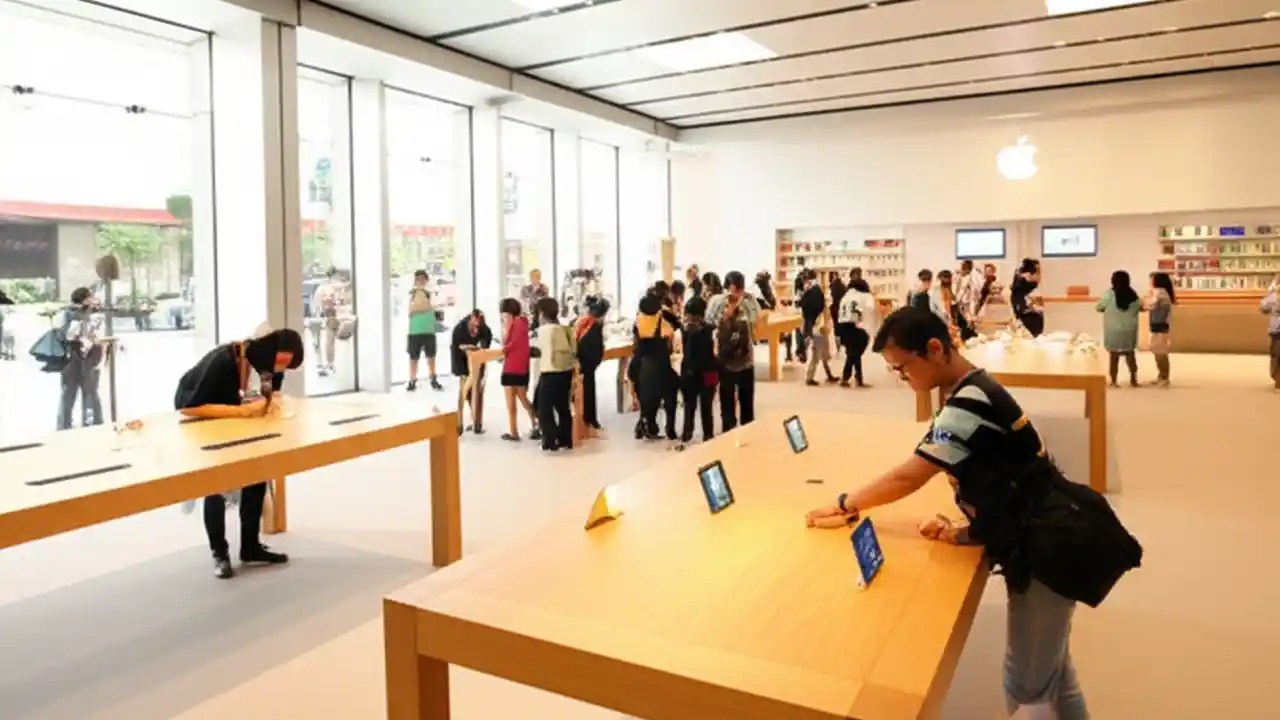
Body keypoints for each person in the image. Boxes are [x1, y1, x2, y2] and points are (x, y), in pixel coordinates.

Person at [806, 307, 1141, 720]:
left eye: (902, 367)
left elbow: (910, 476)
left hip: (1045, 548)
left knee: (1028, 683)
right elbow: (1001, 479)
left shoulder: (968, 401)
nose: (901, 377)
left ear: (934, 349)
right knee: (1053, 674)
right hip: (1047, 530)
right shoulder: (972, 388)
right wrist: (962, 530)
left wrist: (846, 502)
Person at [174, 328, 305, 579]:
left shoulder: (269, 367)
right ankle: (219, 553)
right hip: (203, 414)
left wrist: (271, 407)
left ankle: (250, 546)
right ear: (271, 350)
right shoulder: (223, 360)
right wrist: (243, 412)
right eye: (282, 363)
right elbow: (191, 408)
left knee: (258, 472)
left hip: (234, 414)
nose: (281, 370)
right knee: (216, 484)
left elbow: (271, 396)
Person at [706, 271, 760, 431]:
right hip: (737, 359)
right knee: (739, 401)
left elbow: (709, 324)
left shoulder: (717, 301)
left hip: (733, 358)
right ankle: (739, 430)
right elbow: (755, 322)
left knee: (735, 401)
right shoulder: (746, 302)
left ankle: (733, 430)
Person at [58, 287, 106, 430]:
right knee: (81, 391)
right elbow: (71, 334)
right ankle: (88, 422)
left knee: (80, 392)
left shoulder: (79, 313)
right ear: (84, 299)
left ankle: (72, 423)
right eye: (90, 297)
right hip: (78, 358)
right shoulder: (73, 313)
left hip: (81, 359)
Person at [634, 294, 678, 441]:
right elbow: (674, 331)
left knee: (648, 399)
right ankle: (670, 428)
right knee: (670, 396)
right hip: (662, 364)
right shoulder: (662, 321)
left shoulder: (638, 321)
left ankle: (646, 426)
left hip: (643, 364)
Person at [535, 298, 577, 451]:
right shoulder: (563, 328)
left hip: (549, 371)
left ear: (542, 313)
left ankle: (550, 439)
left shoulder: (544, 330)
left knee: (544, 407)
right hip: (565, 370)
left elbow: (537, 348)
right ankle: (566, 439)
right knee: (562, 407)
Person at [498, 298, 537, 442]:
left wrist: (506, 328)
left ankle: (514, 431)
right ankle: (536, 422)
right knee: (523, 397)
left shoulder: (515, 324)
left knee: (510, 401)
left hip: (511, 366)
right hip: (522, 366)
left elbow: (507, 343)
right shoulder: (524, 323)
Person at [679, 295, 716, 445]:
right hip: (710, 371)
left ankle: (688, 432)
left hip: (690, 372)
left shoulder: (687, 330)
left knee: (689, 404)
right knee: (707, 405)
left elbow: (687, 354)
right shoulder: (710, 329)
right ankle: (708, 434)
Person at [451, 309, 493, 434]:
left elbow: (486, 345)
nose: (477, 326)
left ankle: (477, 422)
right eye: (475, 323)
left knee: (477, 393)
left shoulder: (484, 329)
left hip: (478, 364)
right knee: (463, 393)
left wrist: (479, 348)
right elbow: (456, 348)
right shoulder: (459, 329)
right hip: (463, 365)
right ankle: (459, 423)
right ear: (471, 318)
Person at [1096, 270, 1141, 388]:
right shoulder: (1133, 295)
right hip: (1129, 331)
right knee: (1130, 355)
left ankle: (1114, 381)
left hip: (1113, 331)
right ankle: (1133, 379)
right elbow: (1140, 307)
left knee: (1114, 356)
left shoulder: (1108, 294)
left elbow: (1099, 307)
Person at [575, 296, 609, 436]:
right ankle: (589, 418)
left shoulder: (585, 322)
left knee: (586, 390)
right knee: (588, 389)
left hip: (584, 361)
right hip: (587, 362)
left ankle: (587, 418)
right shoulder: (593, 324)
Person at [406, 270, 442, 392]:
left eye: (422, 278)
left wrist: (420, 307)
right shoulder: (411, 294)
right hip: (414, 331)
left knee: (431, 357)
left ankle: (433, 379)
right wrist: (421, 306)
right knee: (413, 358)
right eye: (418, 279)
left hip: (428, 330)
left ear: (426, 279)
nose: (420, 281)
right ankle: (412, 380)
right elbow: (410, 311)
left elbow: (432, 307)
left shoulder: (430, 293)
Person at [837, 278, 875, 388]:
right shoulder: (862, 296)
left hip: (843, 326)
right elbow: (869, 308)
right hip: (855, 326)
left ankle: (858, 378)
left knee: (853, 353)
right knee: (854, 354)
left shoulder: (845, 297)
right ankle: (846, 377)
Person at [312, 267, 344, 377]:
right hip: (326, 316)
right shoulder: (328, 288)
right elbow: (328, 303)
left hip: (322, 316)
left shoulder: (323, 288)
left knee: (324, 341)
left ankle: (324, 363)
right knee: (328, 341)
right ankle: (328, 363)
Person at [1145, 272, 1176, 387]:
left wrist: (1147, 297)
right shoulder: (1161, 293)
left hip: (1160, 325)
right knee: (1157, 350)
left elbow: (1149, 304)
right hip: (1159, 324)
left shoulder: (1160, 293)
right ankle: (1161, 375)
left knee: (1160, 351)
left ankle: (1164, 376)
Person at [754, 270, 791, 362]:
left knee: (787, 329)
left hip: (764, 326)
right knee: (787, 332)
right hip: (768, 328)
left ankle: (789, 355)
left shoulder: (761, 295)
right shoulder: (762, 296)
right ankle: (789, 355)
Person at [1011, 259, 1044, 337]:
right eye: (1037, 272)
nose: (1039, 276)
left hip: (1029, 319)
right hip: (1027, 322)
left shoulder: (1026, 291)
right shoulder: (1022, 288)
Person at [805, 309, 839, 387]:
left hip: (822, 333)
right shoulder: (820, 309)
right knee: (816, 357)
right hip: (820, 334)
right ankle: (809, 378)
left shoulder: (823, 308)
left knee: (825, 356)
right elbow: (821, 323)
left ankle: (829, 375)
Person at [1263, 277, 1280, 391]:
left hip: (1275, 330)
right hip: (1276, 330)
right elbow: (1263, 308)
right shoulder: (1273, 297)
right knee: (1276, 354)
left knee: (1276, 355)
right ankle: (1277, 379)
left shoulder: (1273, 296)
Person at [828, 271, 847, 340]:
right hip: (842, 307)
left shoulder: (833, 286)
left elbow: (832, 296)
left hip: (835, 308)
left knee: (836, 326)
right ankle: (842, 339)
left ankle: (837, 343)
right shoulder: (843, 285)